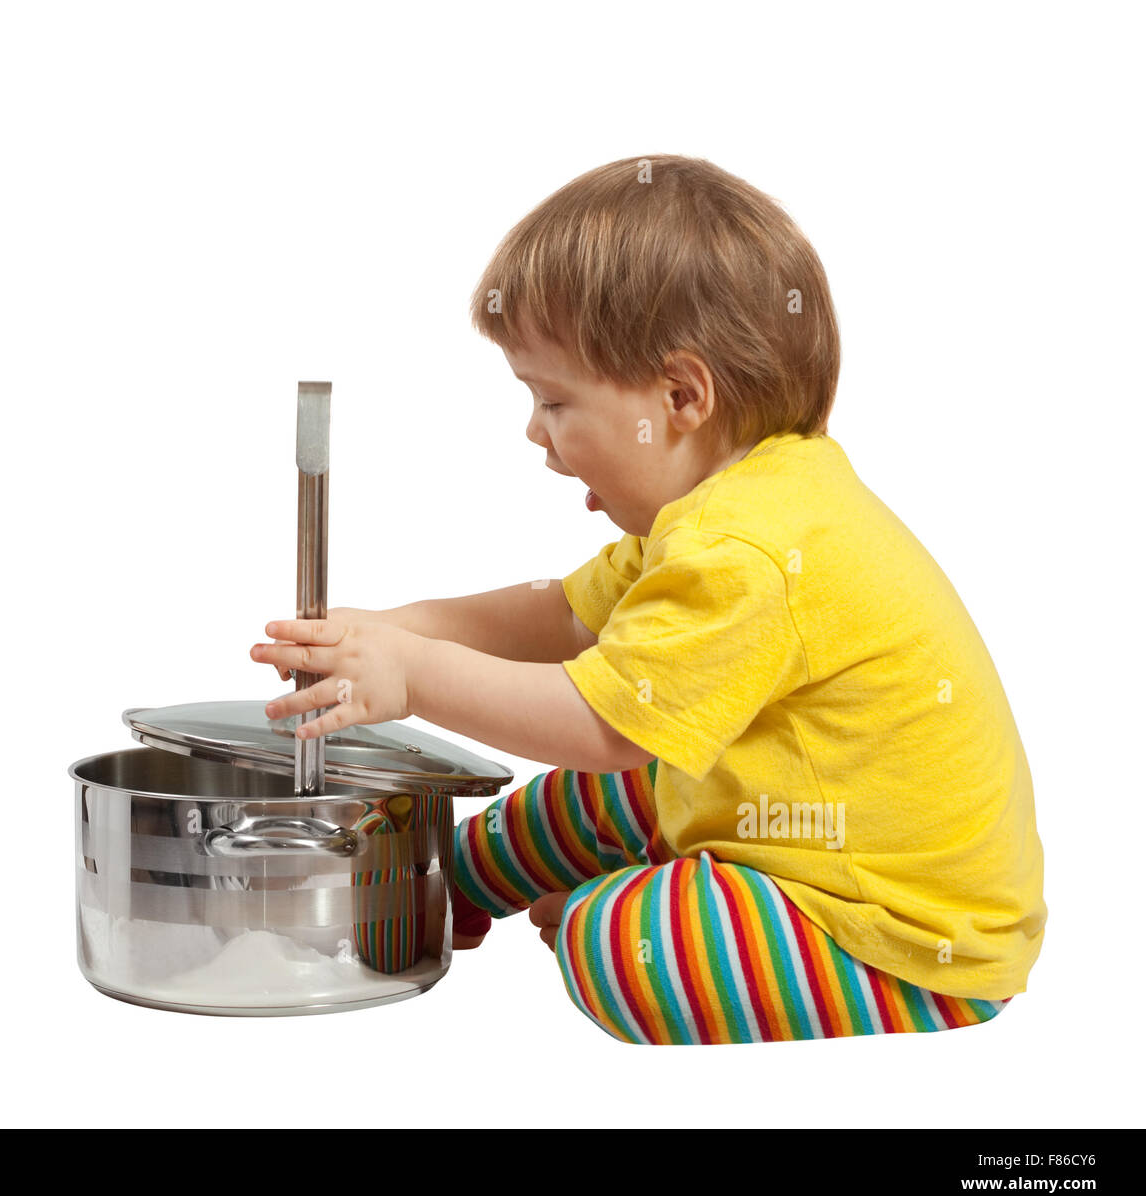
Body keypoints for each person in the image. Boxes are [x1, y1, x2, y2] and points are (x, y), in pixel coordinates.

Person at [250, 154, 1045, 1044]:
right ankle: (455, 883)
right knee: (604, 796)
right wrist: (385, 632)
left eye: (553, 400)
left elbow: (602, 725)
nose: (533, 430)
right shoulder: (738, 499)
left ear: (679, 396)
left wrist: (416, 677)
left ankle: (615, 907)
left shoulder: (745, 554)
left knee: (611, 941)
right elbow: (562, 620)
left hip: (894, 932)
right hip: (790, 827)